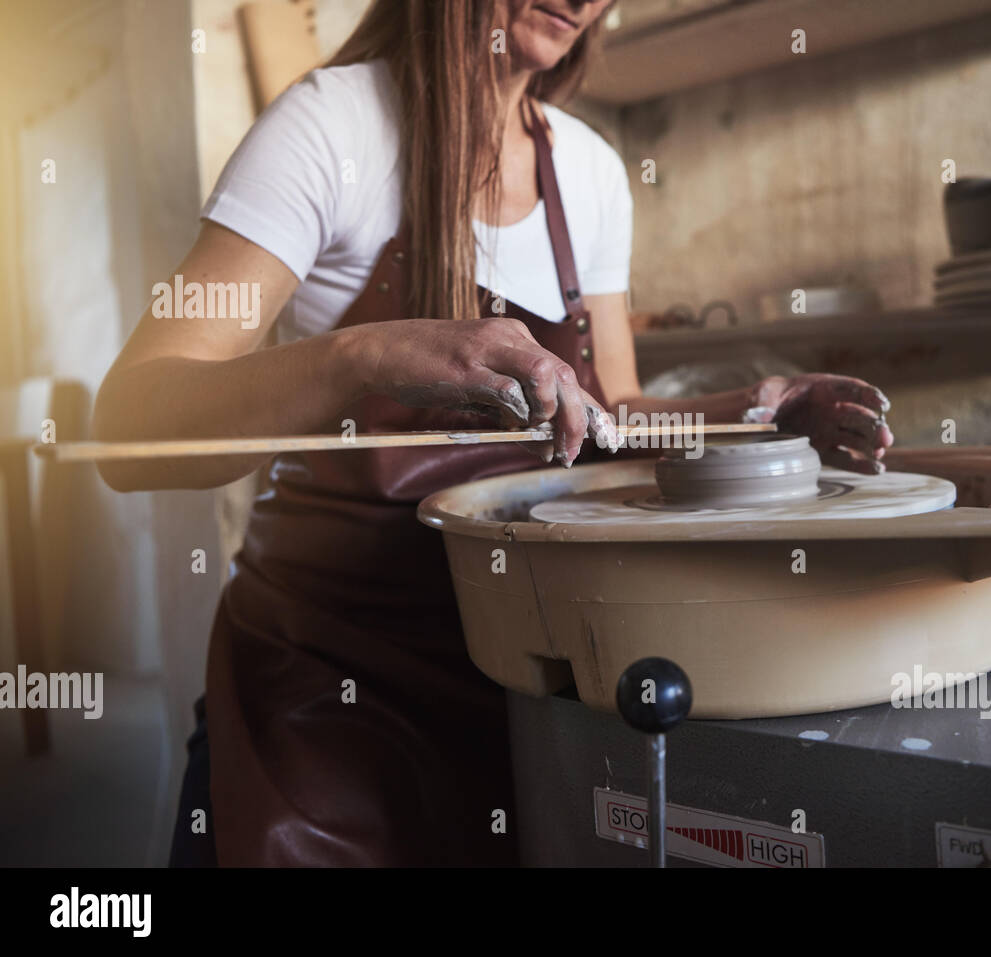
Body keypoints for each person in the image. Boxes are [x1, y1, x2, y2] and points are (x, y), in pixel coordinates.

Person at [94, 0, 893, 866]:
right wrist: (360, 358)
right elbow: (130, 425)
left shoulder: (588, 170)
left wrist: (754, 412)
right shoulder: (330, 127)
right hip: (328, 683)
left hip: (522, 675)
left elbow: (612, 422)